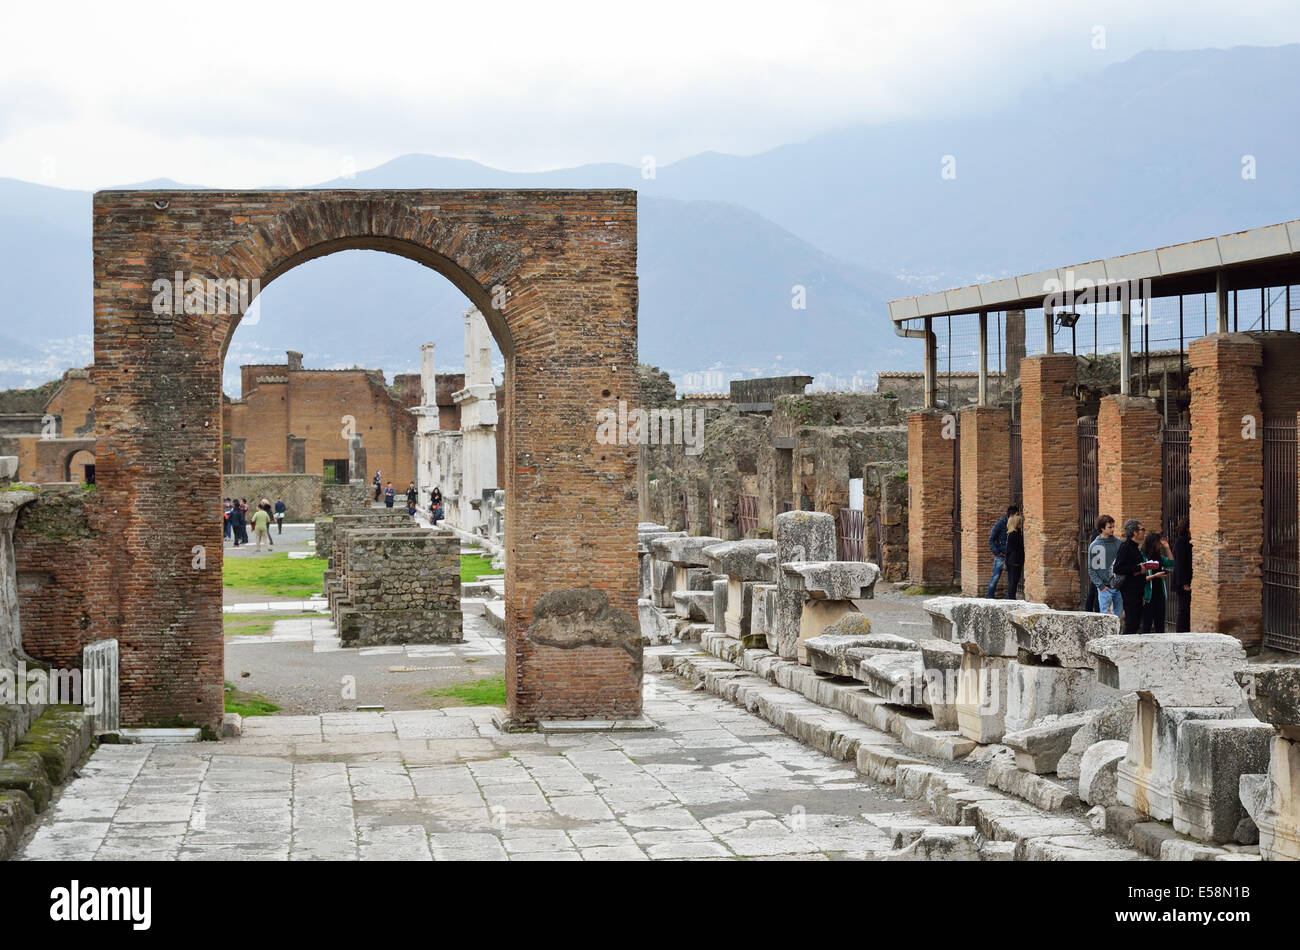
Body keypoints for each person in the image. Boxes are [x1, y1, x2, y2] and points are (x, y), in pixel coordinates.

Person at [1112, 519, 1149, 634]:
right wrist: (1138, 568)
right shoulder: (1126, 547)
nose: (1144, 532)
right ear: (1134, 532)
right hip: (1129, 590)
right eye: (1142, 529)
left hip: (1137, 591)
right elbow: (1118, 568)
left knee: (1136, 622)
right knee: (1131, 623)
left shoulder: (1135, 547)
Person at [1088, 515, 1121, 618]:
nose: (1112, 529)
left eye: (1113, 527)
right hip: (1104, 588)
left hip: (1119, 586)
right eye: (1109, 527)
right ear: (1102, 528)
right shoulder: (1096, 545)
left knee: (1118, 617)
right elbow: (1092, 569)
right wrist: (1101, 586)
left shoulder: (1119, 543)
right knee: (1105, 618)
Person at [1141, 529, 1174, 633]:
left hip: (1160, 594)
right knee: (1147, 625)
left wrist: (1167, 548)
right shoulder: (1142, 557)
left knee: (1160, 625)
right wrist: (1155, 576)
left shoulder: (1159, 557)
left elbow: (1172, 563)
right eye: (1158, 543)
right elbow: (1138, 579)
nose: (1160, 546)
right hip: (1147, 597)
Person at [986, 504, 1019, 598]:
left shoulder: (1016, 524)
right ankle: (990, 598)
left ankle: (1009, 599)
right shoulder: (1000, 523)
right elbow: (991, 539)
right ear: (1012, 514)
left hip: (1011, 556)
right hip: (1000, 556)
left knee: (1011, 581)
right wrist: (996, 552)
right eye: (1017, 514)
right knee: (995, 578)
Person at [1172, 518, 1193, 632]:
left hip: (1186, 579)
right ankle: (1181, 632)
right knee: (1183, 609)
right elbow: (1180, 563)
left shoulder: (1188, 540)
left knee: (1187, 609)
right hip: (1182, 581)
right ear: (1187, 528)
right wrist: (1184, 582)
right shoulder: (1181, 541)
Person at [1004, 511, 1025, 600]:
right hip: (1015, 560)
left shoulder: (1011, 534)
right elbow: (1013, 549)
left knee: (1013, 581)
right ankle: (1011, 598)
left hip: (1012, 560)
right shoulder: (1014, 535)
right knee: (1013, 581)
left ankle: (1011, 597)